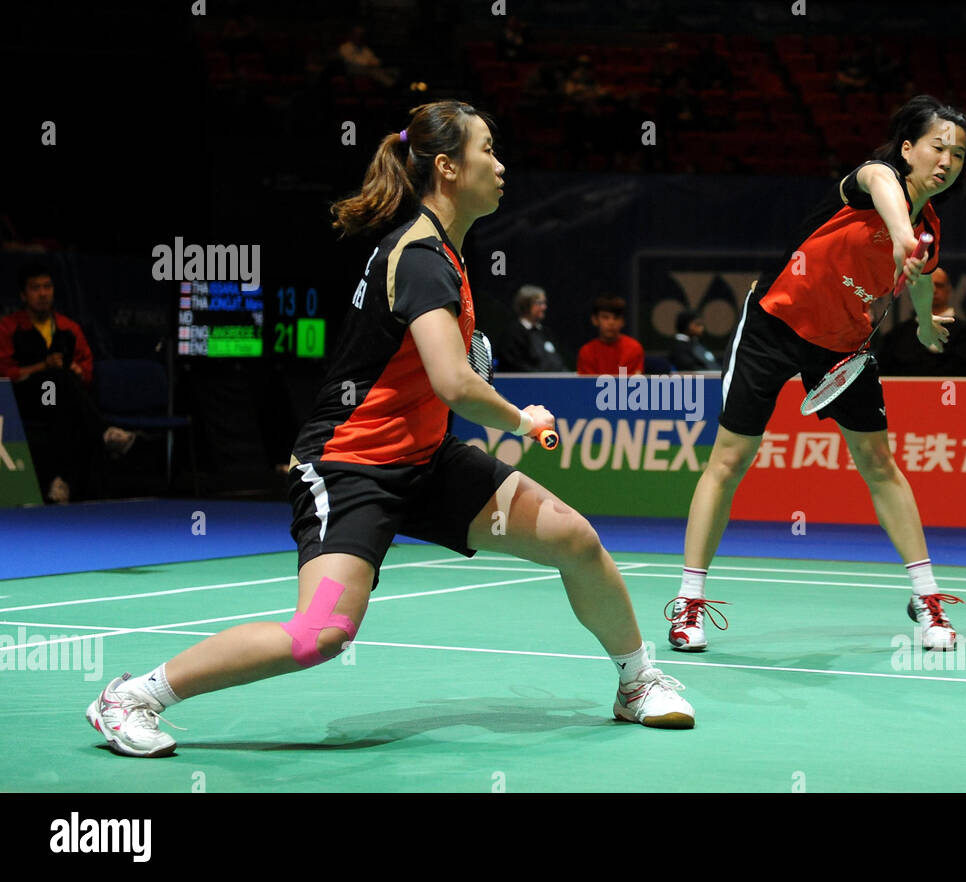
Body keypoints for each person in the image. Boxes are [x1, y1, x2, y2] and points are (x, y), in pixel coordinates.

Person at [84, 101, 694, 758]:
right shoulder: (421, 257)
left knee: (574, 539)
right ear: (448, 166)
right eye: (488, 149)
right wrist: (522, 419)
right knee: (319, 635)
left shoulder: (449, 256)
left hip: (426, 459)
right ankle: (133, 696)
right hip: (350, 466)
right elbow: (454, 382)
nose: (501, 163)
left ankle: (636, 681)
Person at [666, 95, 966, 654]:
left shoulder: (930, 225)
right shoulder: (876, 177)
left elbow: (924, 275)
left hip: (842, 348)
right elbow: (884, 193)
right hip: (773, 324)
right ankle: (689, 603)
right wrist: (902, 233)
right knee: (729, 461)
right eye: (937, 147)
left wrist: (926, 324)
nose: (947, 161)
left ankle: (926, 600)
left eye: (957, 154)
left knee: (880, 463)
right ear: (909, 149)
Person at [0, 262, 133, 503]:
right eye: (35, 288)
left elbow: (88, 369)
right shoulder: (8, 327)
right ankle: (104, 432)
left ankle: (60, 483)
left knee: (63, 392)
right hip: (24, 398)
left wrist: (79, 371)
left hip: (56, 400)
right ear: (23, 295)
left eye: (47, 287)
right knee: (59, 380)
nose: (43, 293)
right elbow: (5, 373)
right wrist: (43, 367)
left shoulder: (68, 327)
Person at [876, 266, 966, 375]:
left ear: (949, 290)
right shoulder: (898, 333)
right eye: (927, 286)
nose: (933, 290)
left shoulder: (965, 332)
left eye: (939, 285)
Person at [496, 285, 567, 372]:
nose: (544, 307)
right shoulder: (512, 334)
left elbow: (557, 363)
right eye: (539, 303)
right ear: (525, 304)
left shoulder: (545, 332)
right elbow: (514, 366)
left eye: (544, 303)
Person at [576, 296, 644, 375]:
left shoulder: (634, 349)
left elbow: (633, 384)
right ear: (595, 320)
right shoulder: (586, 352)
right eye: (605, 317)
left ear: (622, 321)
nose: (611, 322)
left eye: (616, 318)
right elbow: (588, 385)